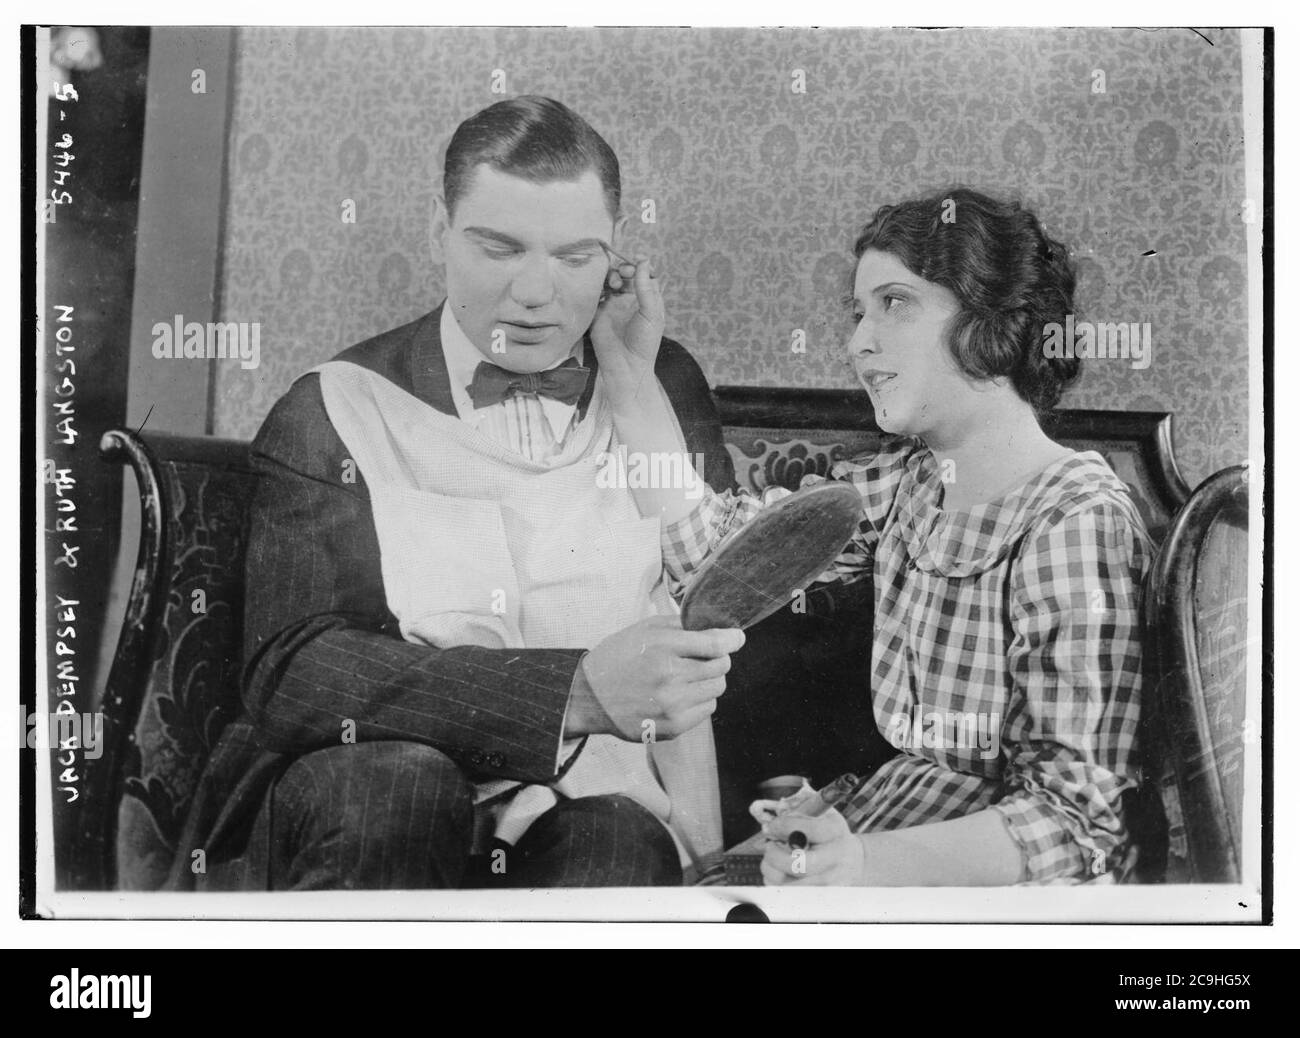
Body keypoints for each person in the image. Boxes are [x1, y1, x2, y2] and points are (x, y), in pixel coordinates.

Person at [166, 96, 746, 891]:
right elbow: (294, 673)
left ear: (615, 257)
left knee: (617, 844)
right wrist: (568, 692)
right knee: (401, 788)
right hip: (372, 787)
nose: (537, 293)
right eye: (498, 249)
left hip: (591, 787)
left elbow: (713, 601)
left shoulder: (659, 381)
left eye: (576, 257)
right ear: (437, 234)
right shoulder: (335, 404)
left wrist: (632, 384)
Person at [593, 187, 1153, 886]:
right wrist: (625, 370)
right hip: (893, 820)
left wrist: (859, 863)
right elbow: (716, 558)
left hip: (1010, 887)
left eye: (895, 303)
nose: (859, 340)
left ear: (992, 319)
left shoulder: (1075, 517)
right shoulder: (908, 483)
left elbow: (1077, 824)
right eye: (858, 312)